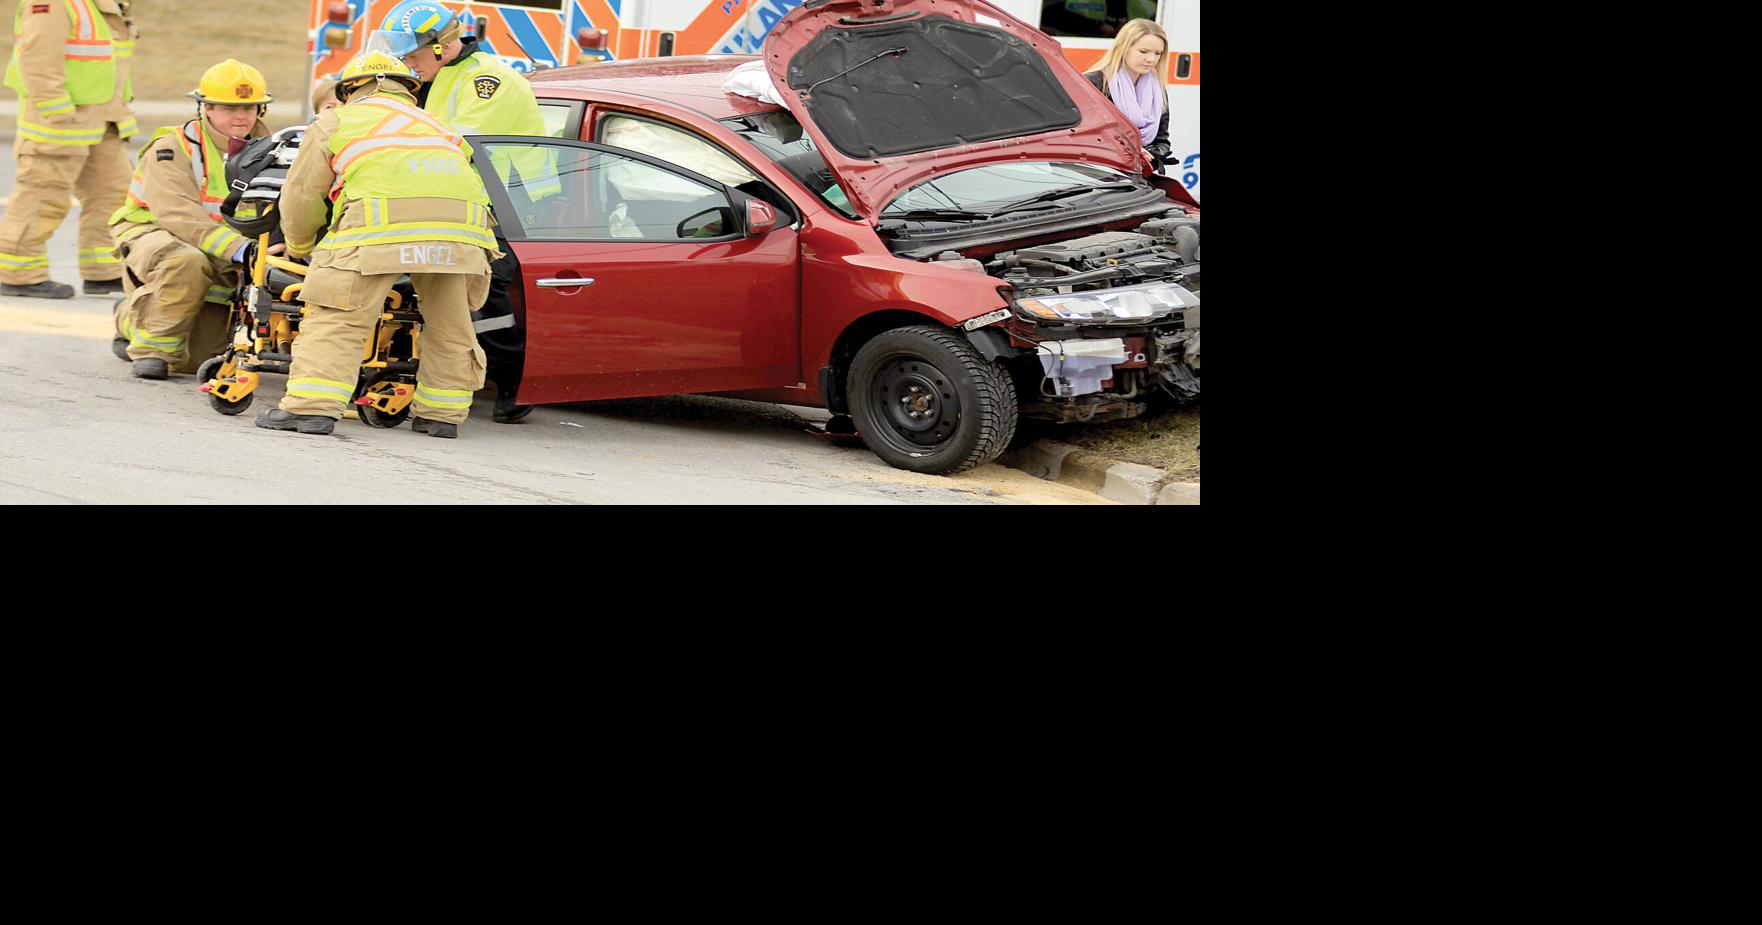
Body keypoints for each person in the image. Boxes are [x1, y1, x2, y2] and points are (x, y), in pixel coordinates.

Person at [255, 51, 496, 440]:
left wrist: (300, 244)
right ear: (408, 90)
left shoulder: (336, 121)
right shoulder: (440, 126)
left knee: (339, 315)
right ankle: (442, 414)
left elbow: (301, 196)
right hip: (461, 235)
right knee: (450, 323)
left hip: (378, 230)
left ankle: (311, 408)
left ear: (350, 90)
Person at [368, 0, 557, 425]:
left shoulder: (488, 80)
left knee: (486, 291)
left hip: (509, 201)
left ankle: (513, 382)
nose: (407, 62)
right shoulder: (435, 76)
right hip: (460, 197)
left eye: (413, 53)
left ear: (441, 45)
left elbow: (455, 141)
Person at [107, 58, 270, 380]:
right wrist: (241, 250)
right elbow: (178, 214)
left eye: (249, 107)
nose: (241, 116)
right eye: (229, 107)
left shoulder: (273, 152)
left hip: (224, 247)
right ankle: (150, 348)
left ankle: (143, 315)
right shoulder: (172, 148)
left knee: (197, 359)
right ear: (206, 108)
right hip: (155, 232)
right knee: (186, 263)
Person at [0, 0, 137, 299]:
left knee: (113, 192)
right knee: (43, 193)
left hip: (103, 117)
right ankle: (18, 272)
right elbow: (37, 57)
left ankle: (104, 270)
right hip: (59, 120)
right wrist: (56, 107)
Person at [1084, 18, 1171, 175]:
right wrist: (1133, 152)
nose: (1151, 59)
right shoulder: (1094, 82)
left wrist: (1150, 155)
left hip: (1137, 173)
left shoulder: (1158, 89)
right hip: (1097, 172)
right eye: (1143, 51)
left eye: (1157, 53)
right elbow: (1084, 136)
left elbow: (1162, 141)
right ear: (1123, 48)